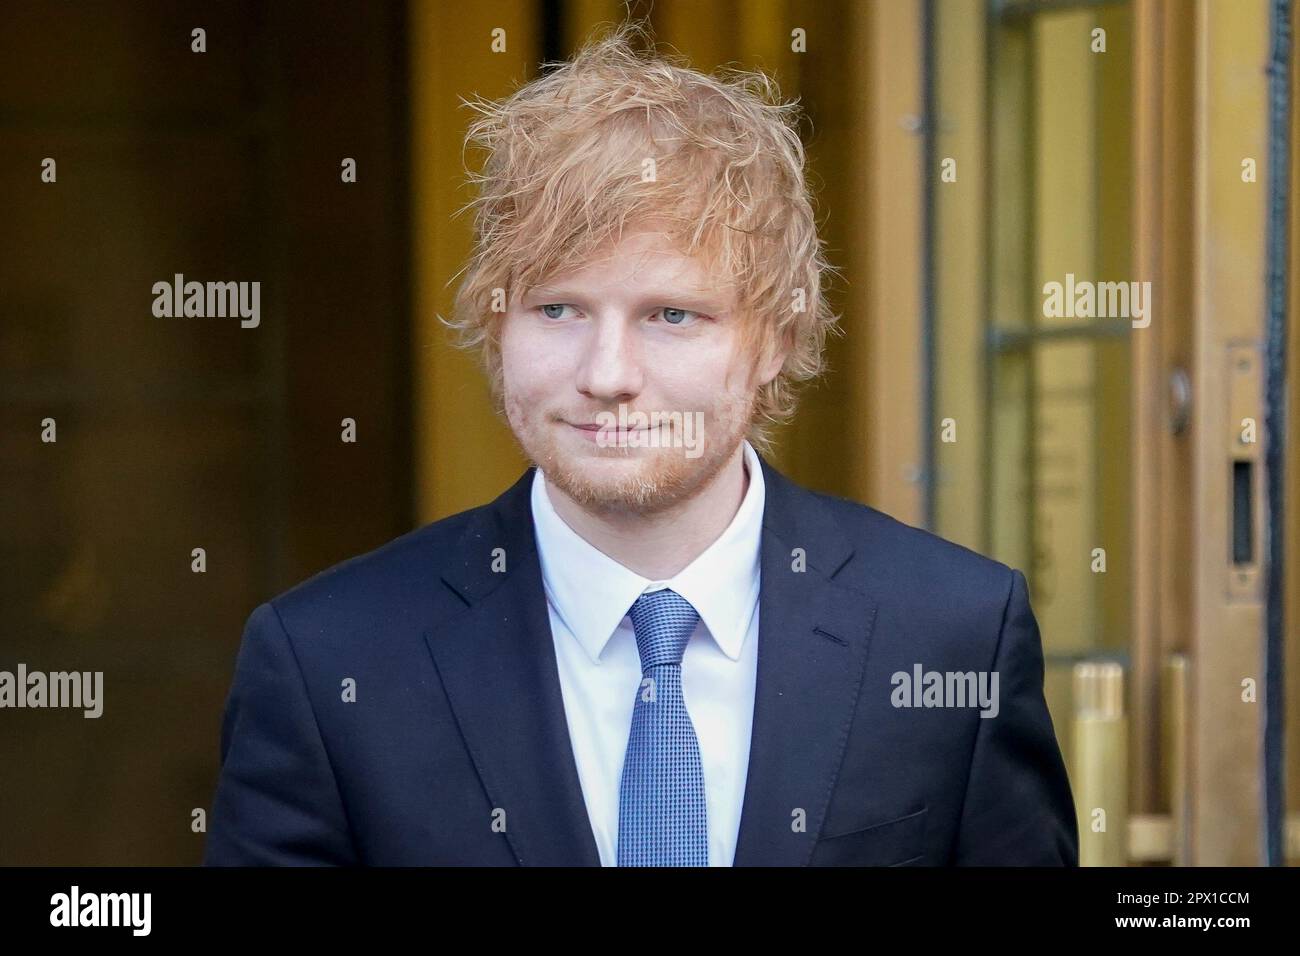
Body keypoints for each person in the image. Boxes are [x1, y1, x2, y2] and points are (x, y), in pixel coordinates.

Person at [204, 23, 1077, 866]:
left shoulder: (951, 634)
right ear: (494, 324)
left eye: (671, 315)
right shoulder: (328, 664)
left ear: (774, 336)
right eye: (558, 309)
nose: (608, 373)